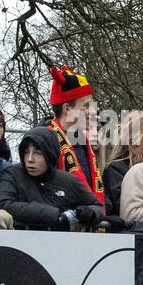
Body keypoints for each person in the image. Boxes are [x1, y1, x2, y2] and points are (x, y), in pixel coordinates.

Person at [0, 126, 104, 230]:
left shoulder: (68, 180)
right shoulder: (12, 174)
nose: (30, 159)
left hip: (59, 246)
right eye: (26, 152)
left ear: (50, 154)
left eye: (38, 152)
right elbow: (2, 204)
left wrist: (90, 213)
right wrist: (56, 215)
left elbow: (98, 207)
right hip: (18, 244)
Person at [46, 64, 104, 205]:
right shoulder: (44, 142)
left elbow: (94, 186)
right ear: (67, 108)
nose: (92, 111)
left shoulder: (83, 142)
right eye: (86, 106)